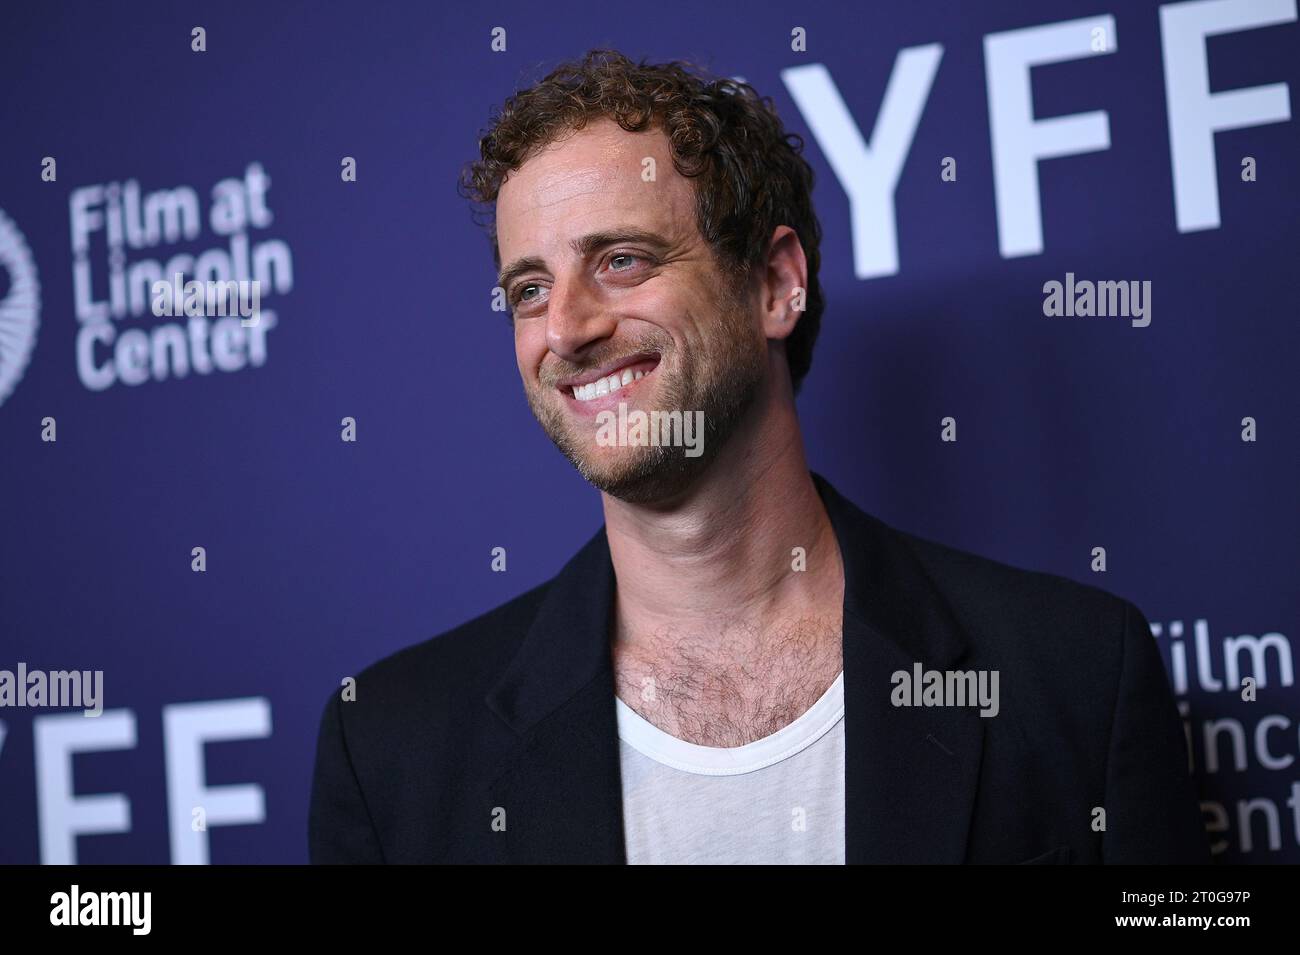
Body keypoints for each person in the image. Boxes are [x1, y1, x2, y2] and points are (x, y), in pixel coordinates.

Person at [308, 49, 1208, 864]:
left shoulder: (1075, 676)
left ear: (776, 284)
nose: (568, 328)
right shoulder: (392, 751)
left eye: (621, 260)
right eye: (529, 288)